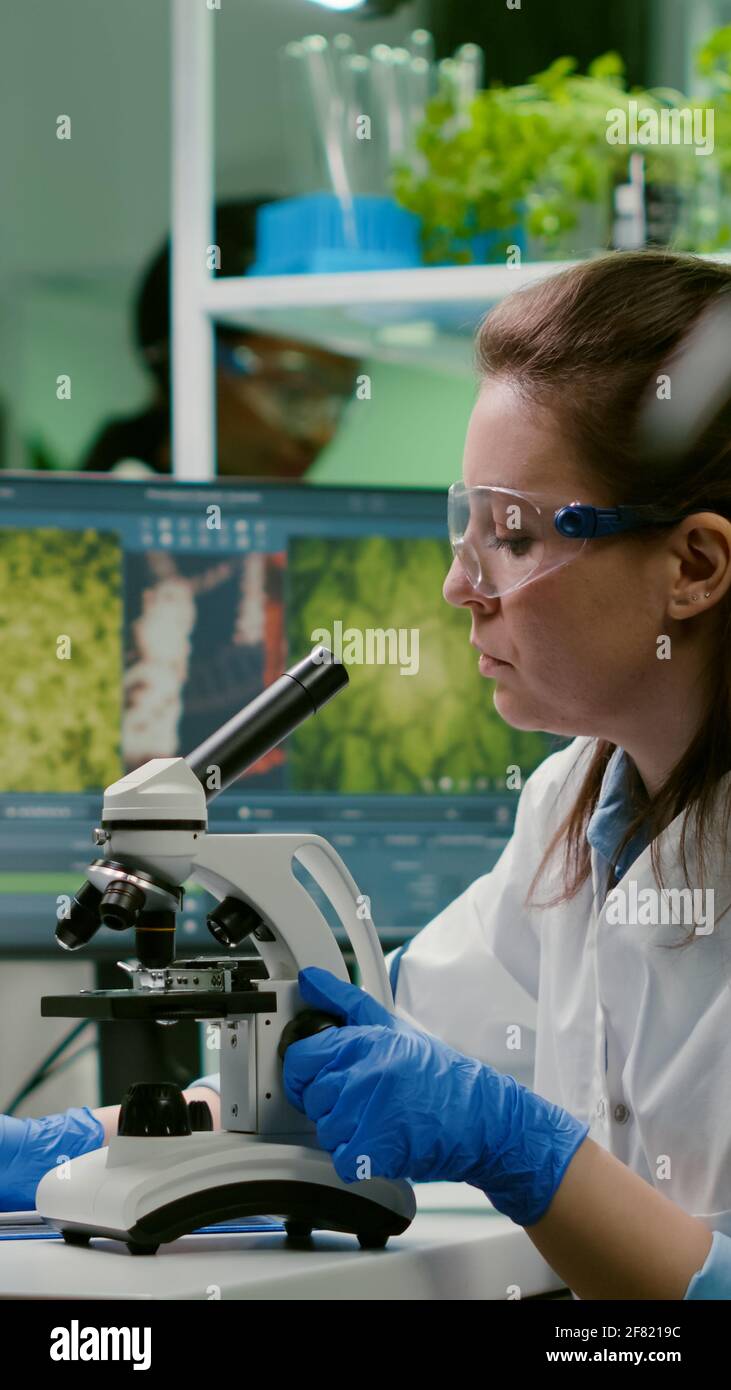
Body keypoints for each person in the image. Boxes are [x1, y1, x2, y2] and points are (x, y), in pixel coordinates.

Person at [2, 251, 730, 1300]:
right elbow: (332, 1078)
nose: (456, 583)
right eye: (464, 524)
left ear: (694, 566)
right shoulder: (570, 812)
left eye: (513, 535)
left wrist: (523, 1153)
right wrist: (58, 1149)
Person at [81, 198, 361, 479]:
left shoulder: (297, 514)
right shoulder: (110, 512)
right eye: (294, 394)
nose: (322, 435)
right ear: (189, 364)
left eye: (340, 402)